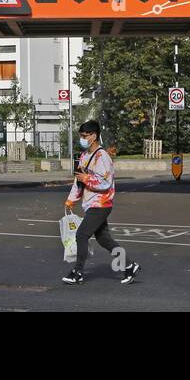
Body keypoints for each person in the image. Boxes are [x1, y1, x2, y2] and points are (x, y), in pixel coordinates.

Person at [63, 120, 141, 285]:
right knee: (104, 239)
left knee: (82, 234)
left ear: (94, 136)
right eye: (81, 136)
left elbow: (105, 183)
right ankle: (129, 265)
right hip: (91, 204)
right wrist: (71, 200)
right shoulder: (84, 156)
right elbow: (79, 182)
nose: (82, 139)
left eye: (85, 136)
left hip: (101, 204)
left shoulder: (102, 157)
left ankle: (78, 272)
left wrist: (87, 178)